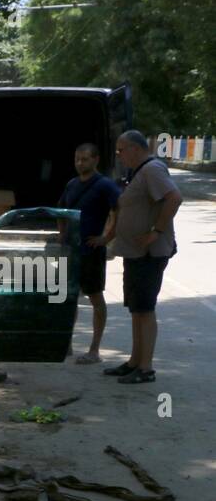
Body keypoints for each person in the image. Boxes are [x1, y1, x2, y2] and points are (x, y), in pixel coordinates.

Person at [102, 130, 183, 384]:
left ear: (135, 148)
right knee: (137, 309)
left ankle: (146, 369)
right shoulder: (139, 172)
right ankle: (134, 361)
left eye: (121, 149)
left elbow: (174, 198)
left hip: (150, 253)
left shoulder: (152, 169)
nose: (119, 155)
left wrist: (156, 231)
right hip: (135, 253)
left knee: (145, 309)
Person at [58, 142, 120, 363]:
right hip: (71, 251)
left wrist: (106, 238)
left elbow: (119, 211)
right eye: (77, 159)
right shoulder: (72, 184)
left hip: (92, 251)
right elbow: (62, 212)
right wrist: (62, 237)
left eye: (85, 159)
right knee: (68, 299)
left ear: (96, 160)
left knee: (96, 298)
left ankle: (95, 350)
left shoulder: (105, 185)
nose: (80, 163)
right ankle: (67, 345)